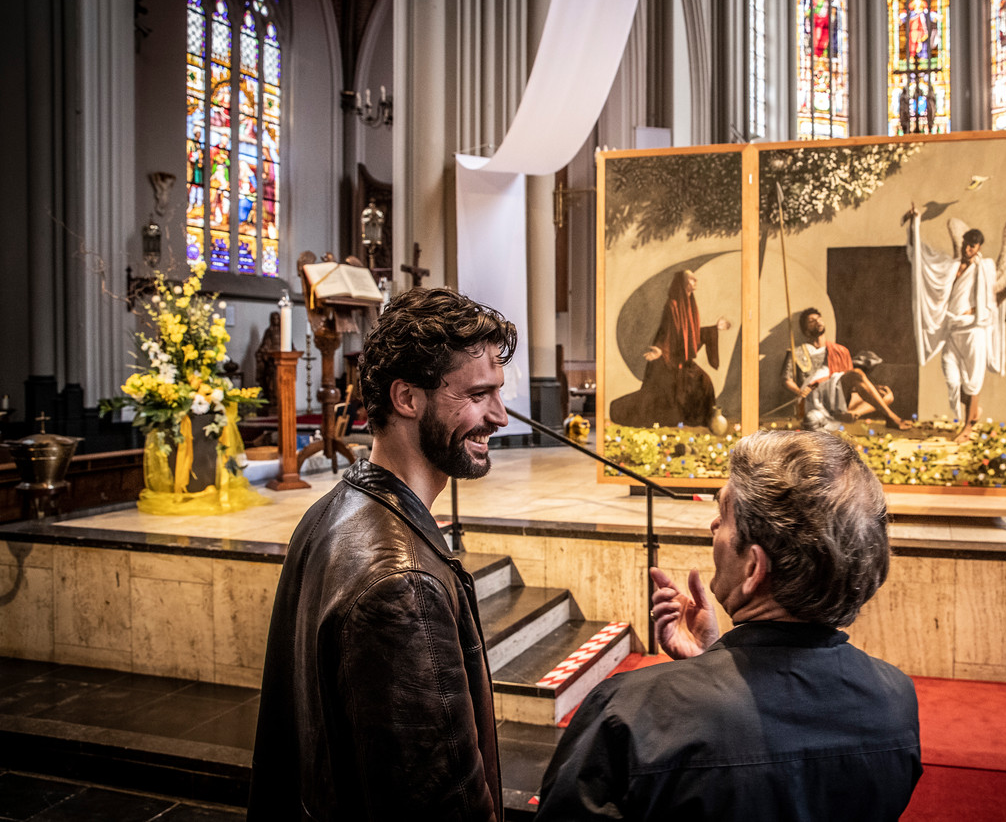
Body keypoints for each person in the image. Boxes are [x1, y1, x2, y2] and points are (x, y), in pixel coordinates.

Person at [534, 429, 923, 821]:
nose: (713, 526)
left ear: (754, 568)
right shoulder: (894, 701)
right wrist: (709, 663)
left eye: (725, 515)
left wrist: (703, 678)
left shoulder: (631, 713)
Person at [248, 288, 516, 819]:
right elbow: (440, 803)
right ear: (407, 399)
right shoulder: (403, 585)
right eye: (478, 395)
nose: (501, 417)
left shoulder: (330, 511)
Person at [909, 208, 1006, 442]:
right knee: (953, 379)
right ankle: (973, 413)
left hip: (974, 331)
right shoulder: (952, 266)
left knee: (973, 381)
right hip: (953, 329)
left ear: (979, 248)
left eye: (973, 246)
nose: (967, 249)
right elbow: (925, 262)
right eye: (966, 244)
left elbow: (992, 301)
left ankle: (967, 428)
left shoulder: (983, 269)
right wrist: (914, 224)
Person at [610, 269, 729, 428]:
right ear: (684, 283)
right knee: (659, 401)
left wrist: (714, 329)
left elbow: (690, 335)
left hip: (683, 361)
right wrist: (659, 349)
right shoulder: (672, 305)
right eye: (692, 279)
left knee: (704, 382)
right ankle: (618, 409)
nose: (696, 282)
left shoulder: (690, 305)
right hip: (668, 362)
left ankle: (703, 420)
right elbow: (666, 331)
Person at [781, 307, 908, 431]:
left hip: (838, 395)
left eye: (819, 318)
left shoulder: (840, 350)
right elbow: (787, 379)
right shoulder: (796, 352)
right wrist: (799, 392)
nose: (817, 321)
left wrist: (870, 389)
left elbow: (850, 384)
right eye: (811, 321)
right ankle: (892, 417)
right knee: (856, 373)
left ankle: (853, 413)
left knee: (886, 394)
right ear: (805, 330)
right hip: (813, 396)